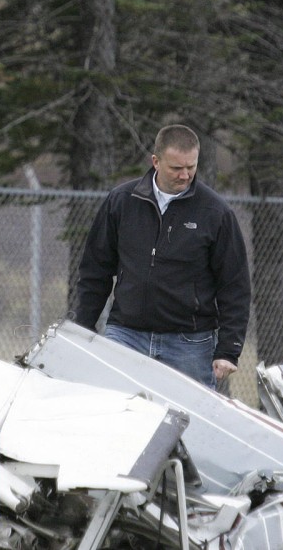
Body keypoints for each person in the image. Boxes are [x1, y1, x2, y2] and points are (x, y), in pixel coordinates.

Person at [72, 124, 251, 389]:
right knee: (114, 415)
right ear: (155, 161)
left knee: (192, 424)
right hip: (126, 334)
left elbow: (234, 285)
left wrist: (228, 349)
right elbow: (95, 271)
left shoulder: (215, 213)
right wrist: (83, 328)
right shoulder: (121, 202)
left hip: (190, 344)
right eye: (176, 168)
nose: (185, 175)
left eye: (191, 167)